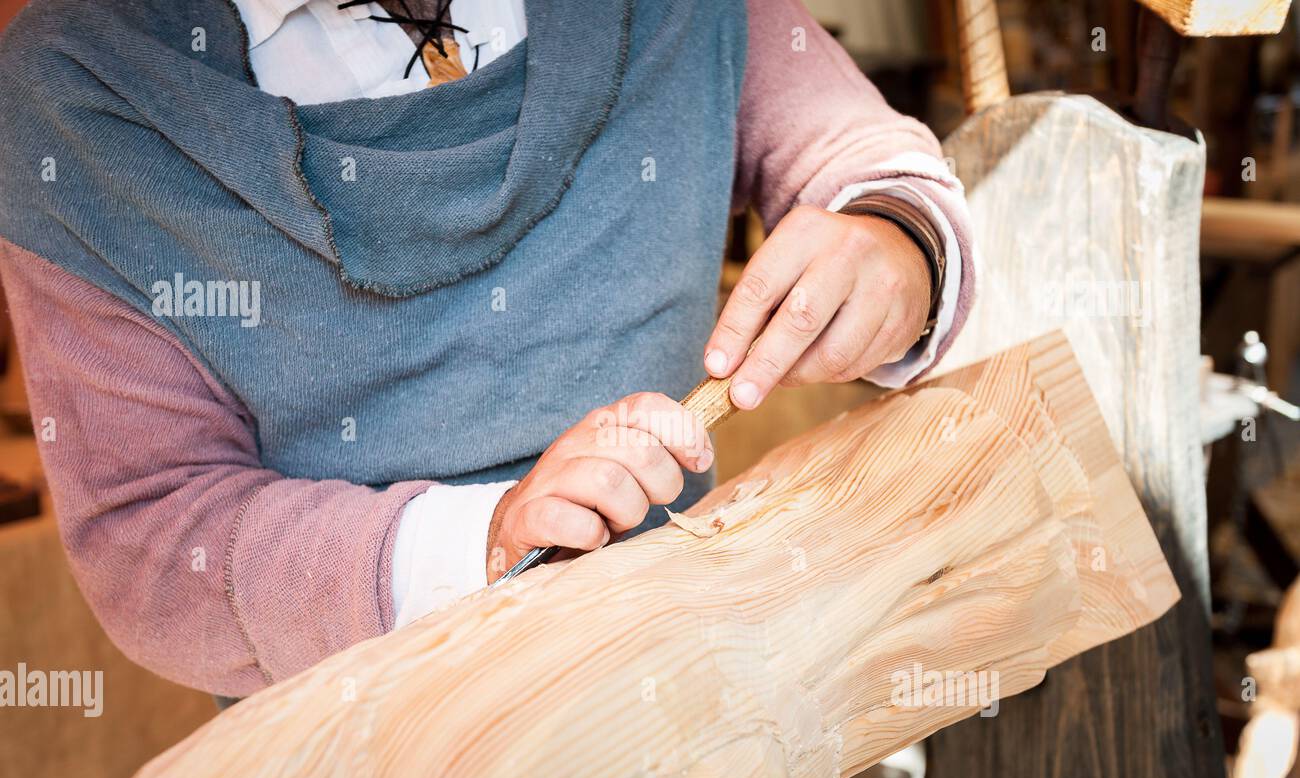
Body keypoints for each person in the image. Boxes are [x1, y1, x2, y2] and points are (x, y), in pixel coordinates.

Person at [0, 0, 974, 698]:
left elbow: (855, 154)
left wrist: (895, 242)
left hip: (686, 702)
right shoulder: (79, 89)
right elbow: (155, 536)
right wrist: (481, 542)